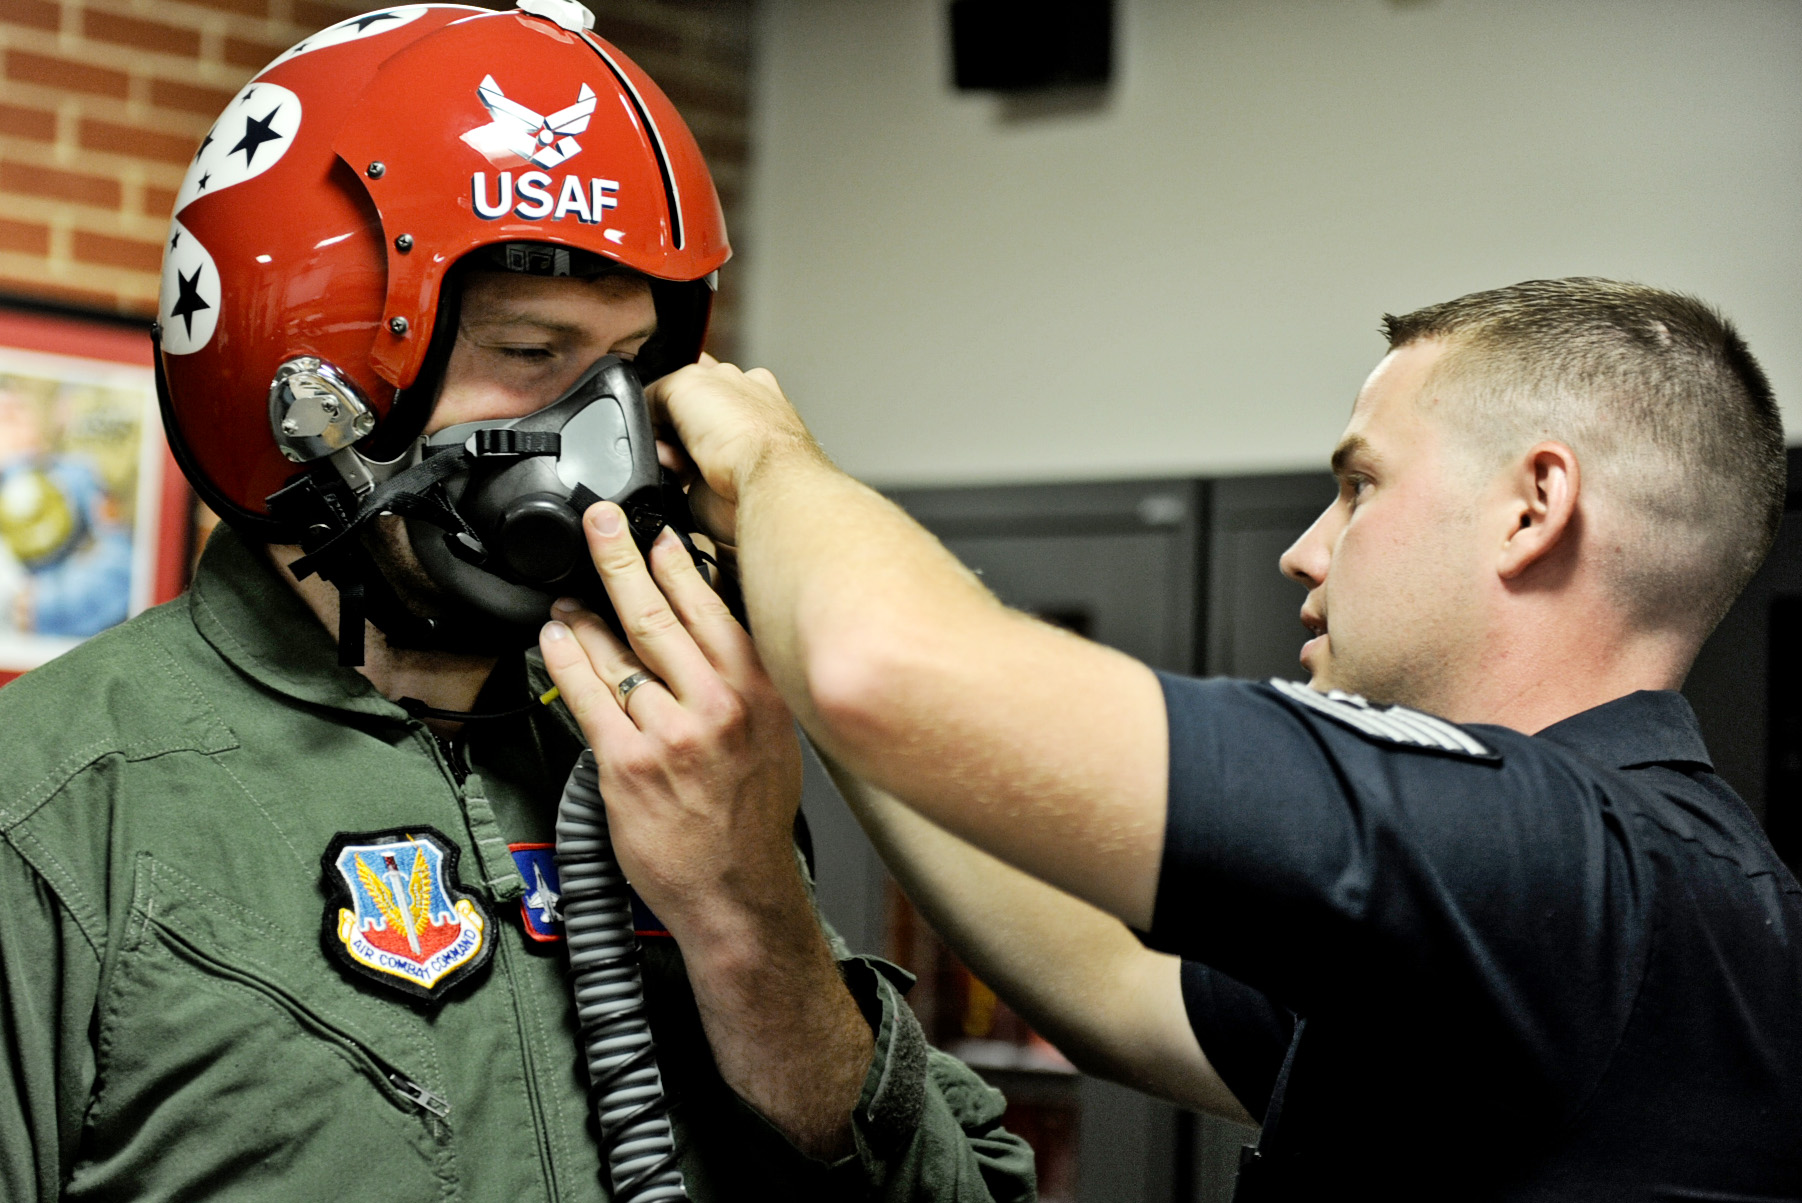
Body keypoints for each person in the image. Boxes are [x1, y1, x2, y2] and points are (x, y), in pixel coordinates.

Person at [0, 5, 1034, 1201]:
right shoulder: (62, 808)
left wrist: (752, 923)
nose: (604, 436)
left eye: (626, 368)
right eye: (536, 352)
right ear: (310, 382)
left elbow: (973, 1189)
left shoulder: (667, 762)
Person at [545, 277, 1800, 1199]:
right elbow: (1106, 980)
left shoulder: (1566, 863)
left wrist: (770, 462)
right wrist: (793, 633)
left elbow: (892, 667)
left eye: (1359, 484)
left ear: (1532, 507)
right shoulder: (1581, 903)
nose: (1304, 548)